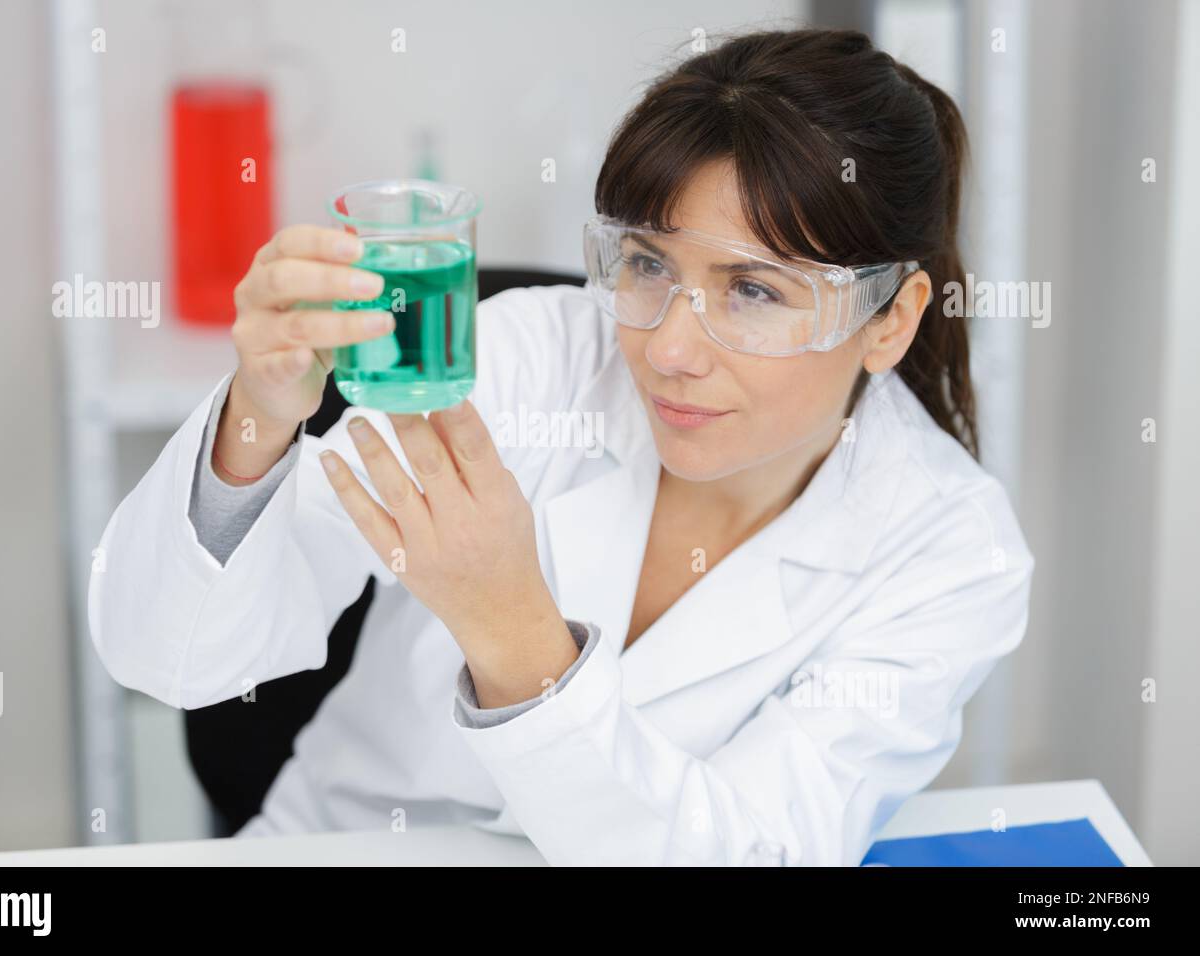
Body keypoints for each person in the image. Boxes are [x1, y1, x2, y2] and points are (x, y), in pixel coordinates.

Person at [89, 28, 1033, 865]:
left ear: (889, 319)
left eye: (753, 290)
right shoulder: (530, 360)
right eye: (648, 265)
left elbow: (759, 851)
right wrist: (259, 411)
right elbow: (176, 656)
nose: (666, 349)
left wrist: (511, 630)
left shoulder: (947, 552)